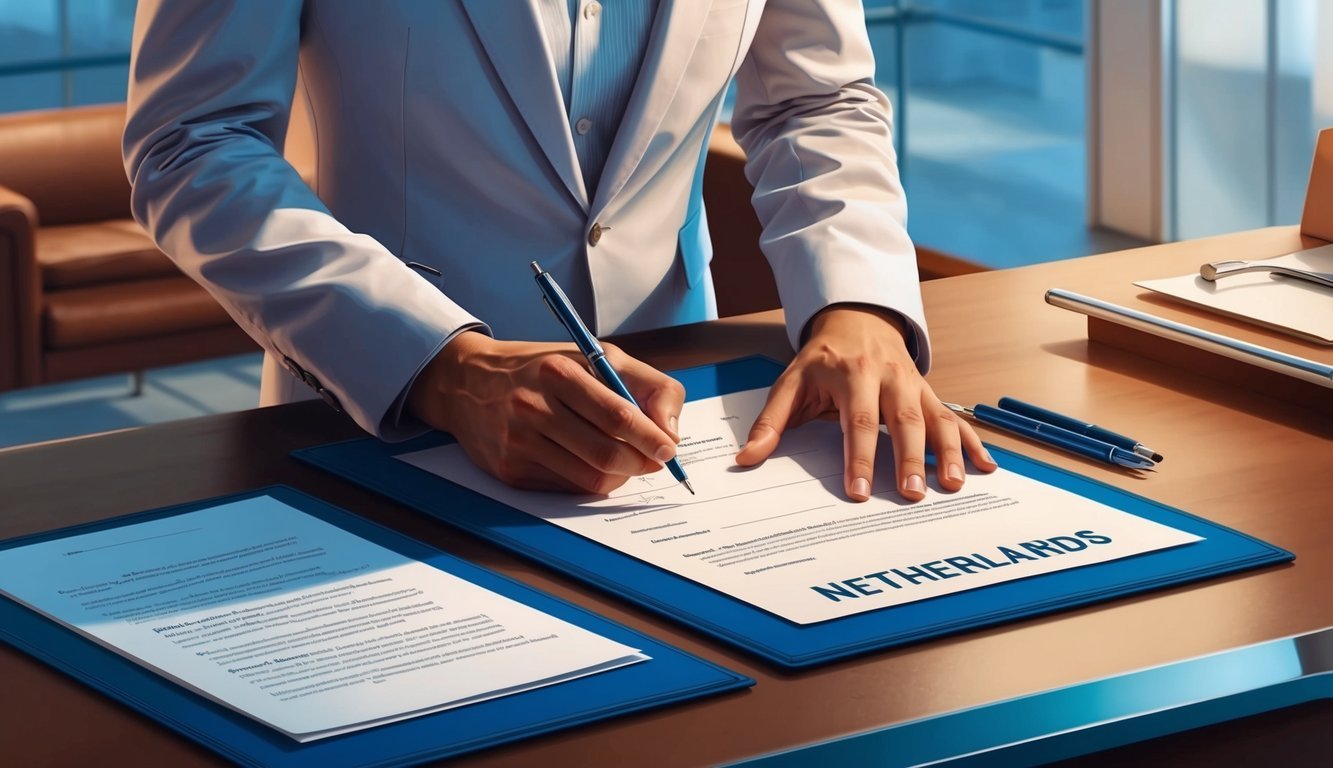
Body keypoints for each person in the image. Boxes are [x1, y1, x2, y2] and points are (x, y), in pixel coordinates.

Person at [123, 0, 996, 503]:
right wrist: (438, 365)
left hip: (684, 432)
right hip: (379, 436)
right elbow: (193, 142)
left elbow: (816, 97)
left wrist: (859, 305)